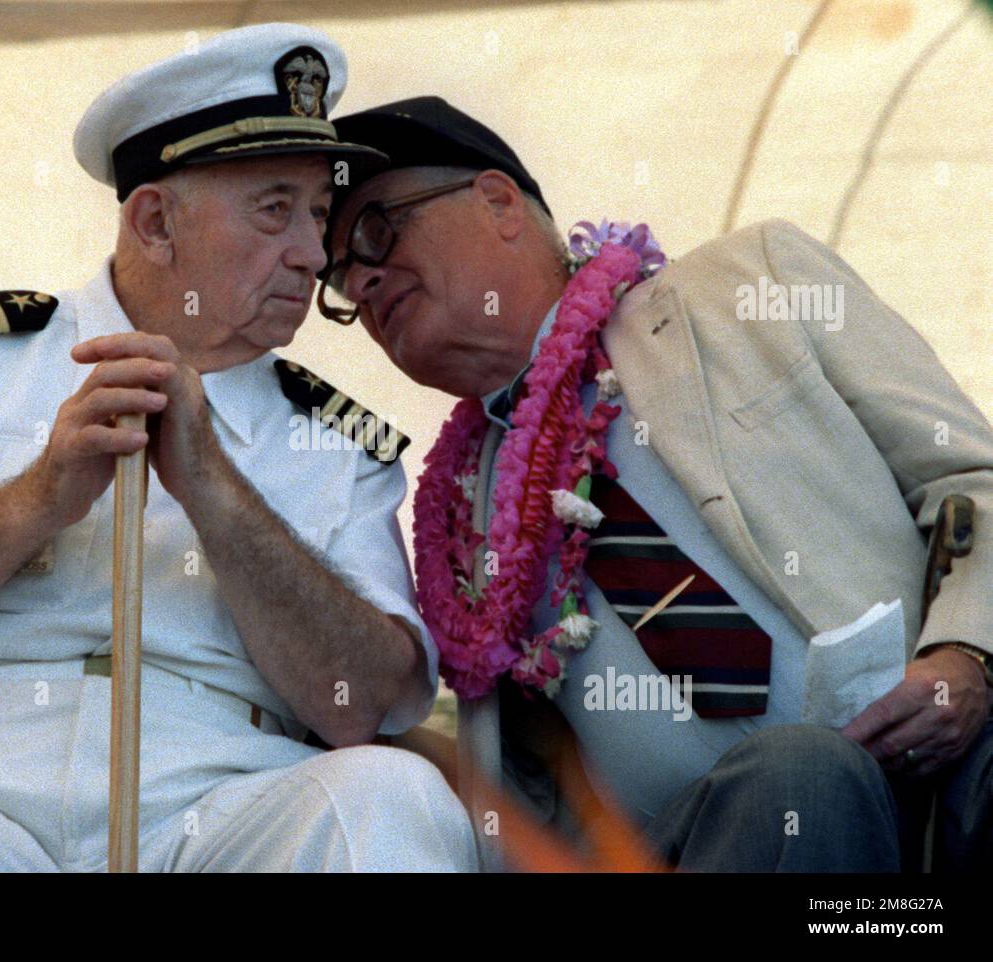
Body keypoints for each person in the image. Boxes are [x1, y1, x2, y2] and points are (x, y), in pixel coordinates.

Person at [0, 29, 477, 873]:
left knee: (391, 799)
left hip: (217, 805)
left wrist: (216, 491)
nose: (314, 256)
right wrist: (36, 501)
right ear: (155, 221)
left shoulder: (334, 440)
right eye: (275, 209)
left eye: (318, 215)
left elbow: (372, 703)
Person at [319, 95, 993, 871]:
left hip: (952, 768)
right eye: (340, 277)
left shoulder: (750, 285)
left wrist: (965, 660)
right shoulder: (455, 532)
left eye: (374, 230)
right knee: (802, 777)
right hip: (716, 843)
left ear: (498, 201)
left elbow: (971, 479)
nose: (361, 282)